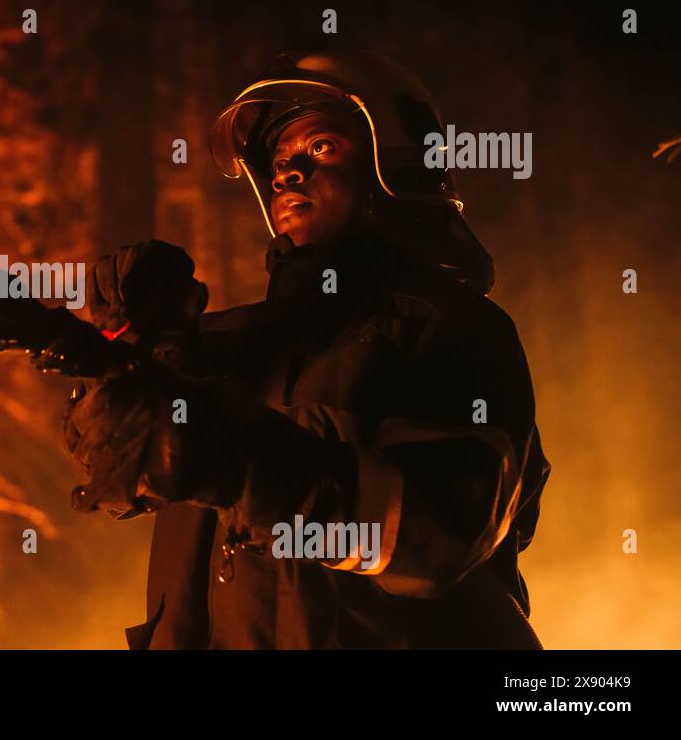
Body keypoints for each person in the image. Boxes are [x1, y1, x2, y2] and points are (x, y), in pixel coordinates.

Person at [59, 52, 550, 649]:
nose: (286, 174)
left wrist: (245, 470)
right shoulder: (233, 345)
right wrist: (119, 361)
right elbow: (120, 477)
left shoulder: (456, 329)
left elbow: (436, 535)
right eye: (278, 161)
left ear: (393, 163)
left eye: (320, 148)